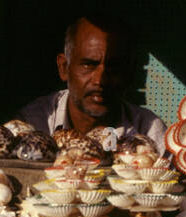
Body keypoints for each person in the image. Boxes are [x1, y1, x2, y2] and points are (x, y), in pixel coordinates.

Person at [17, 13, 167, 155]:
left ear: (129, 73)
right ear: (64, 68)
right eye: (88, 65)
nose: (100, 80)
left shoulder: (149, 129)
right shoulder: (34, 123)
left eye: (113, 67)